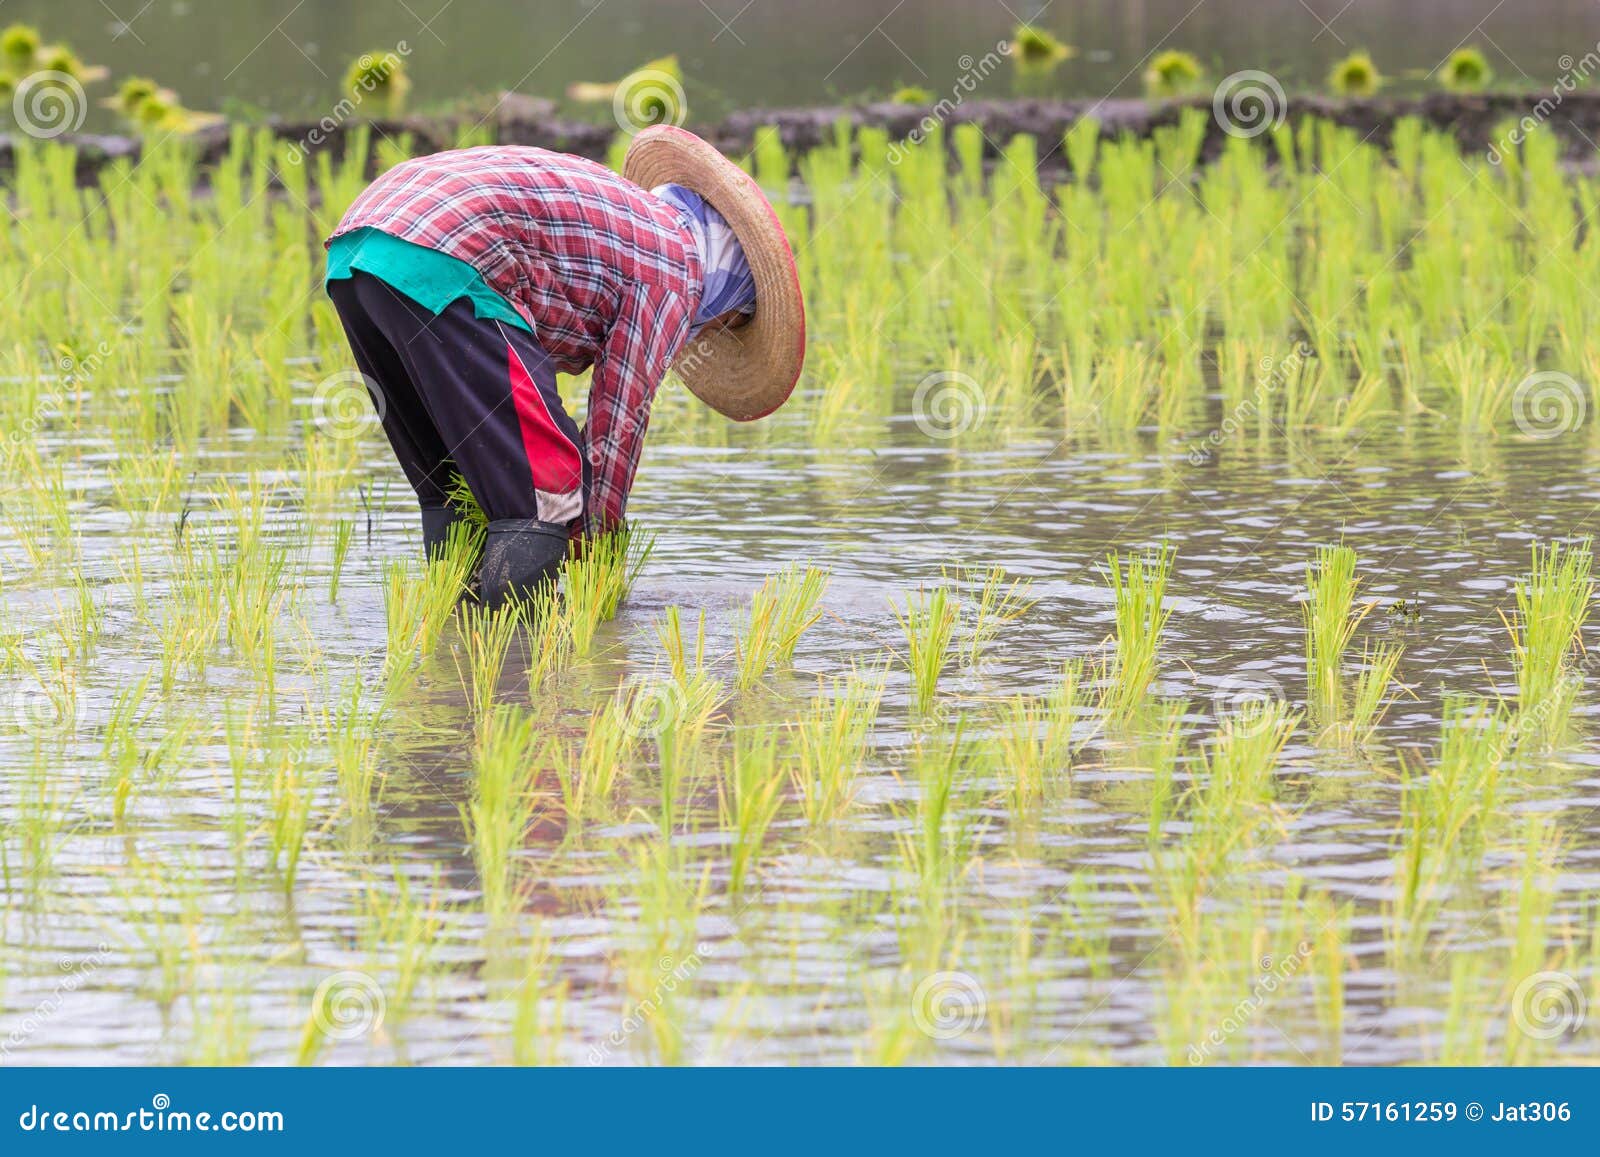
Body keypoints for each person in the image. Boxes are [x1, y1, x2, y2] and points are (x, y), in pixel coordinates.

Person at [324, 126, 805, 607]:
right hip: (449, 253)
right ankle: (518, 669)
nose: (710, 331)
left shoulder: (633, 223)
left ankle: (454, 664)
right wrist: (598, 559)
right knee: (548, 486)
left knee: (461, 485)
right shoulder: (677, 272)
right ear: (728, 289)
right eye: (730, 321)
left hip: (362, 249)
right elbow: (615, 425)